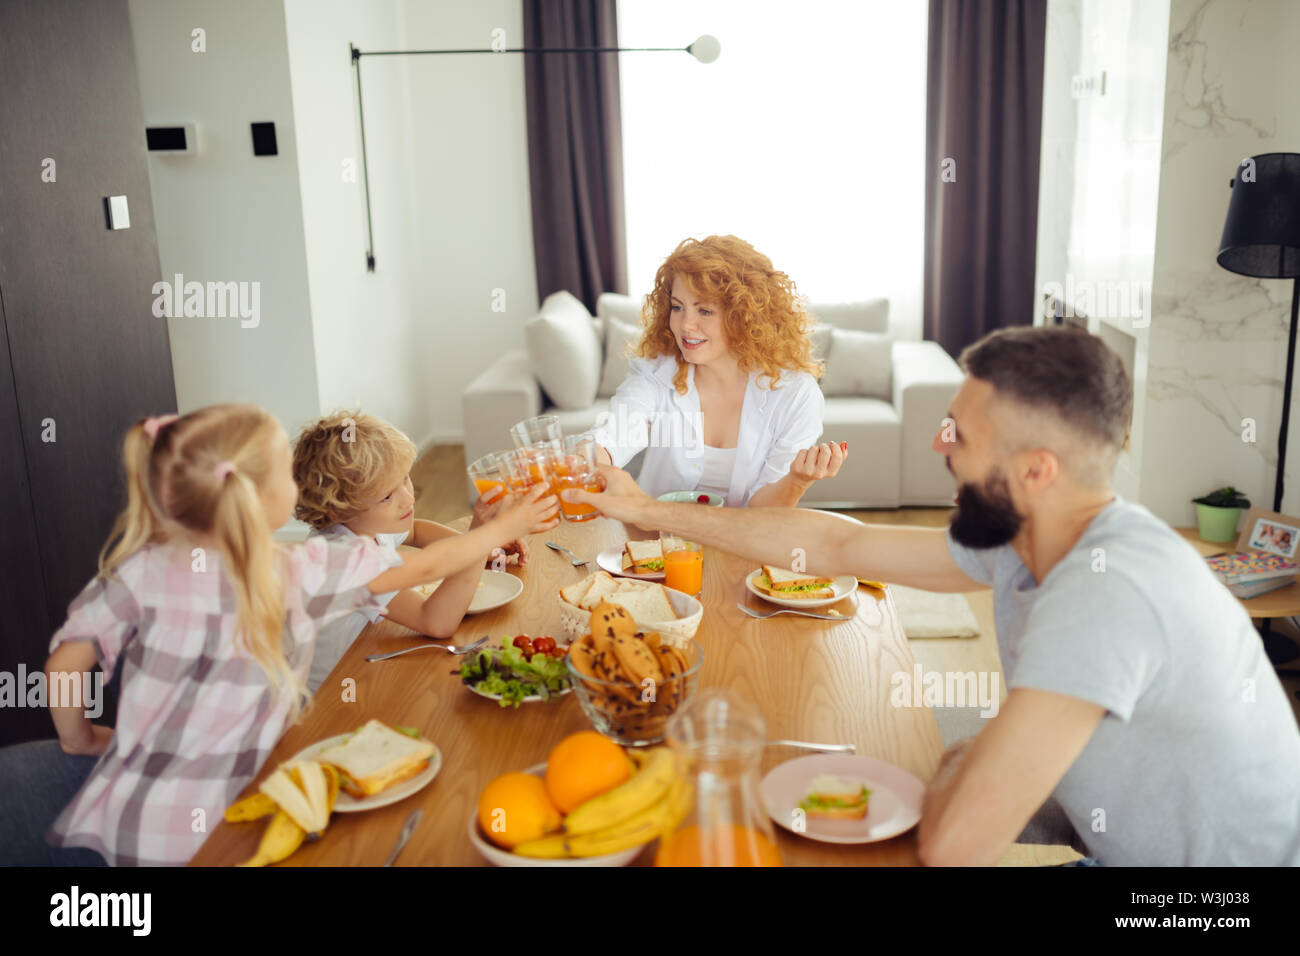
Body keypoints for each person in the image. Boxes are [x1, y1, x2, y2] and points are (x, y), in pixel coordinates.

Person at [565, 326, 1300, 866]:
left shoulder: (1105, 595)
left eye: (960, 435)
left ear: (1037, 469)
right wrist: (647, 512)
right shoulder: (1031, 535)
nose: (937, 446)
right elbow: (834, 546)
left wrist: (959, 764)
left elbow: (952, 844)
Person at [7, 404, 553, 866]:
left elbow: (62, 666)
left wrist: (81, 739)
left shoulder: (140, 568)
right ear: (256, 497)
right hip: (219, 826)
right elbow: (419, 578)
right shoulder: (294, 570)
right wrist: (502, 529)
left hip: (130, 824)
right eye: (284, 476)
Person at [292, 411, 540, 694]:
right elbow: (436, 621)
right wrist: (481, 541)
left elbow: (416, 531)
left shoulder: (362, 527)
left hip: (366, 657)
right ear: (338, 509)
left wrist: (473, 541)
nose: (408, 498)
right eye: (386, 496)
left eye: (406, 479)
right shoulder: (342, 556)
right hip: (330, 698)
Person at [589, 235, 846, 507]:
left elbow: (763, 512)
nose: (686, 325)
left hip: (740, 543)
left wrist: (797, 481)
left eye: (705, 311)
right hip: (657, 540)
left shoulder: (796, 394)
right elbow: (615, 434)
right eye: (678, 307)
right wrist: (582, 458)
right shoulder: (658, 372)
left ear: (743, 315)